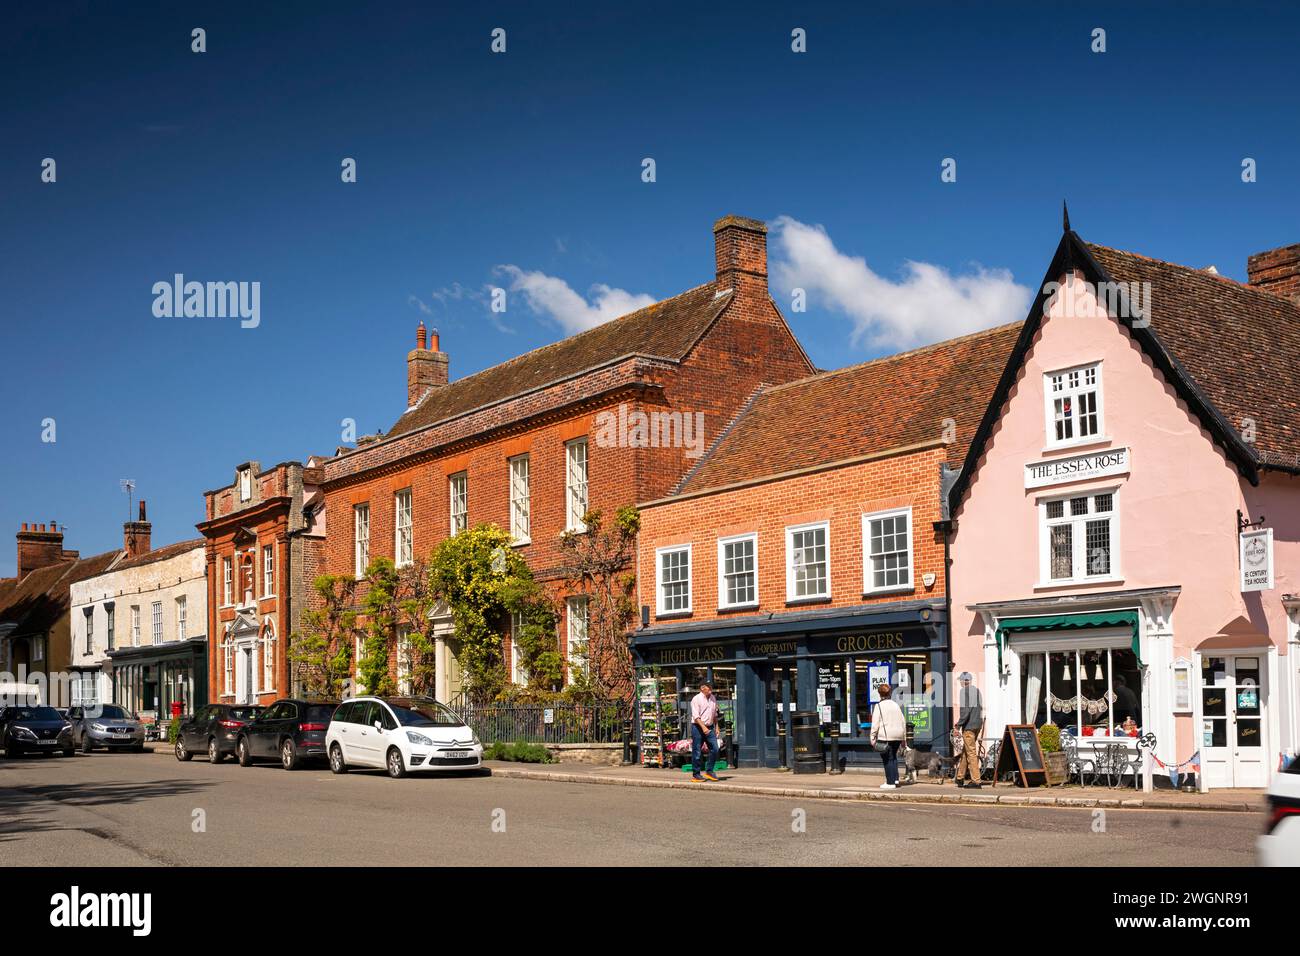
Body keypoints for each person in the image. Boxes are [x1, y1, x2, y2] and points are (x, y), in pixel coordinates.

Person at [870, 682, 906, 790]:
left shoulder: (879, 706)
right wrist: (904, 738)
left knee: (887, 759)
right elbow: (903, 721)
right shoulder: (895, 705)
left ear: (879, 694)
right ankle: (895, 779)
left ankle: (890, 783)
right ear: (889, 693)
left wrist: (872, 737)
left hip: (886, 736)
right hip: (898, 735)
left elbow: (875, 723)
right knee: (893, 757)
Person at [954, 672, 983, 789]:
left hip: (969, 726)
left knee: (970, 753)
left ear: (964, 681)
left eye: (961, 680)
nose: (960, 682)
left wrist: (958, 725)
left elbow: (965, 711)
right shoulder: (977, 691)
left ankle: (976, 781)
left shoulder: (963, 691)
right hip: (977, 724)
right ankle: (960, 778)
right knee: (966, 751)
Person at [689, 683, 721, 782]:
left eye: (711, 687)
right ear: (702, 688)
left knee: (715, 749)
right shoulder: (696, 699)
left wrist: (717, 727)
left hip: (710, 726)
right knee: (697, 751)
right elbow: (696, 716)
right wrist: (703, 728)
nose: (711, 689)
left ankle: (709, 771)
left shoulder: (713, 698)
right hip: (698, 727)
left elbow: (714, 714)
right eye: (709, 687)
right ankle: (696, 774)